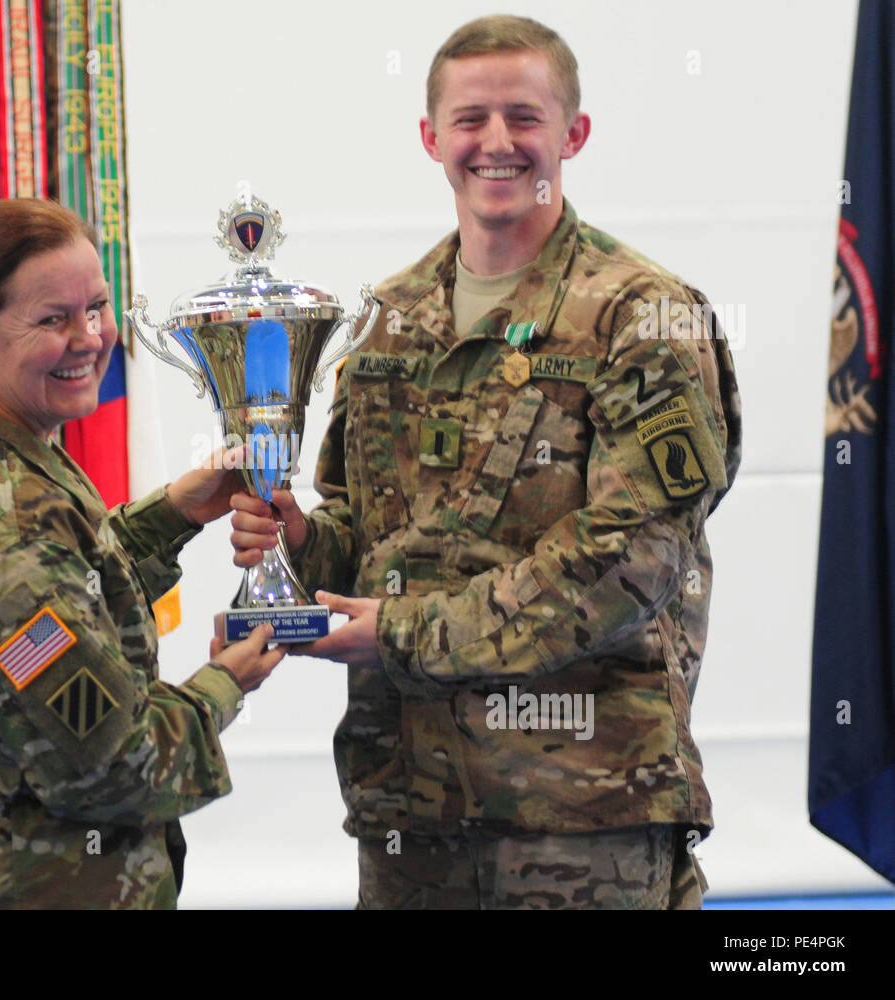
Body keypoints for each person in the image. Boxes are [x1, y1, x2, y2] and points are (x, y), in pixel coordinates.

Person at [231, 14, 741, 909]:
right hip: (410, 808)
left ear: (572, 134)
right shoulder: (392, 317)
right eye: (470, 119)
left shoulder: (645, 318)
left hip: (581, 814)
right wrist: (302, 542)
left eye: (524, 117)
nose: (496, 143)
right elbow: (370, 532)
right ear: (431, 139)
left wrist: (399, 633)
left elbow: (629, 561)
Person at [0, 197, 285, 909]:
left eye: (98, 307)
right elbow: (111, 766)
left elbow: (61, 596)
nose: (90, 338)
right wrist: (223, 685)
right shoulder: (3, 536)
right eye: (52, 319)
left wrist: (172, 514)